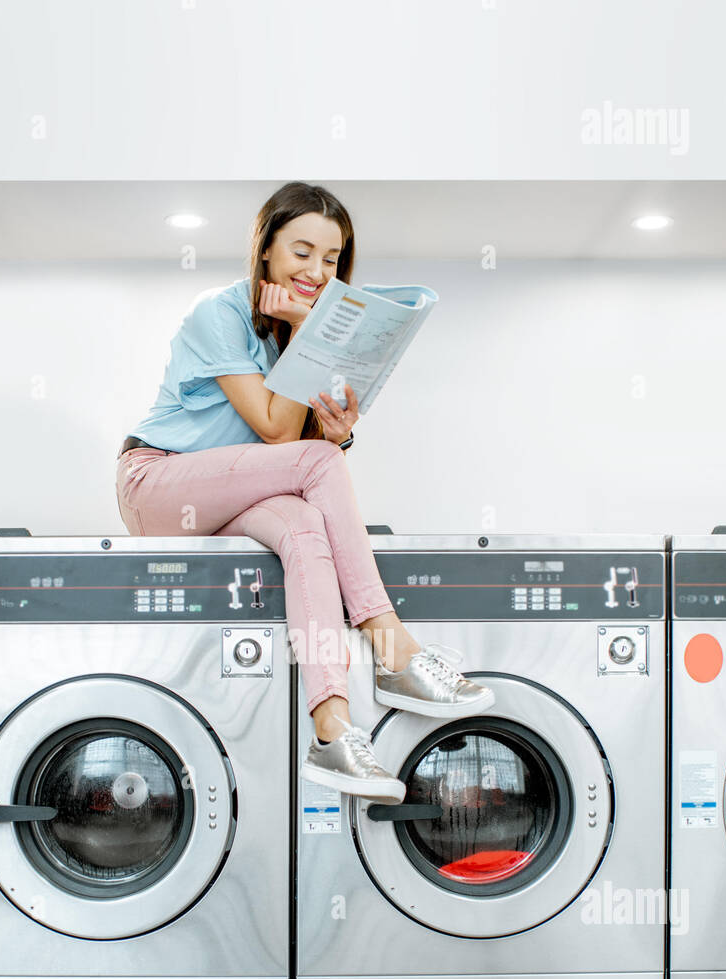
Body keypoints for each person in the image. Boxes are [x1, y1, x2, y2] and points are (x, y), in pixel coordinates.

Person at [115, 181, 494, 803]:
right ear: (265, 249)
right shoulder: (220, 312)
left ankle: (333, 729)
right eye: (301, 252)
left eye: (331, 259)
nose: (317, 271)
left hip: (234, 498)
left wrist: (339, 435)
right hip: (158, 482)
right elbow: (277, 429)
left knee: (303, 529)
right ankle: (392, 645)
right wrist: (304, 333)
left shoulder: (301, 327)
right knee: (315, 462)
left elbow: (293, 449)